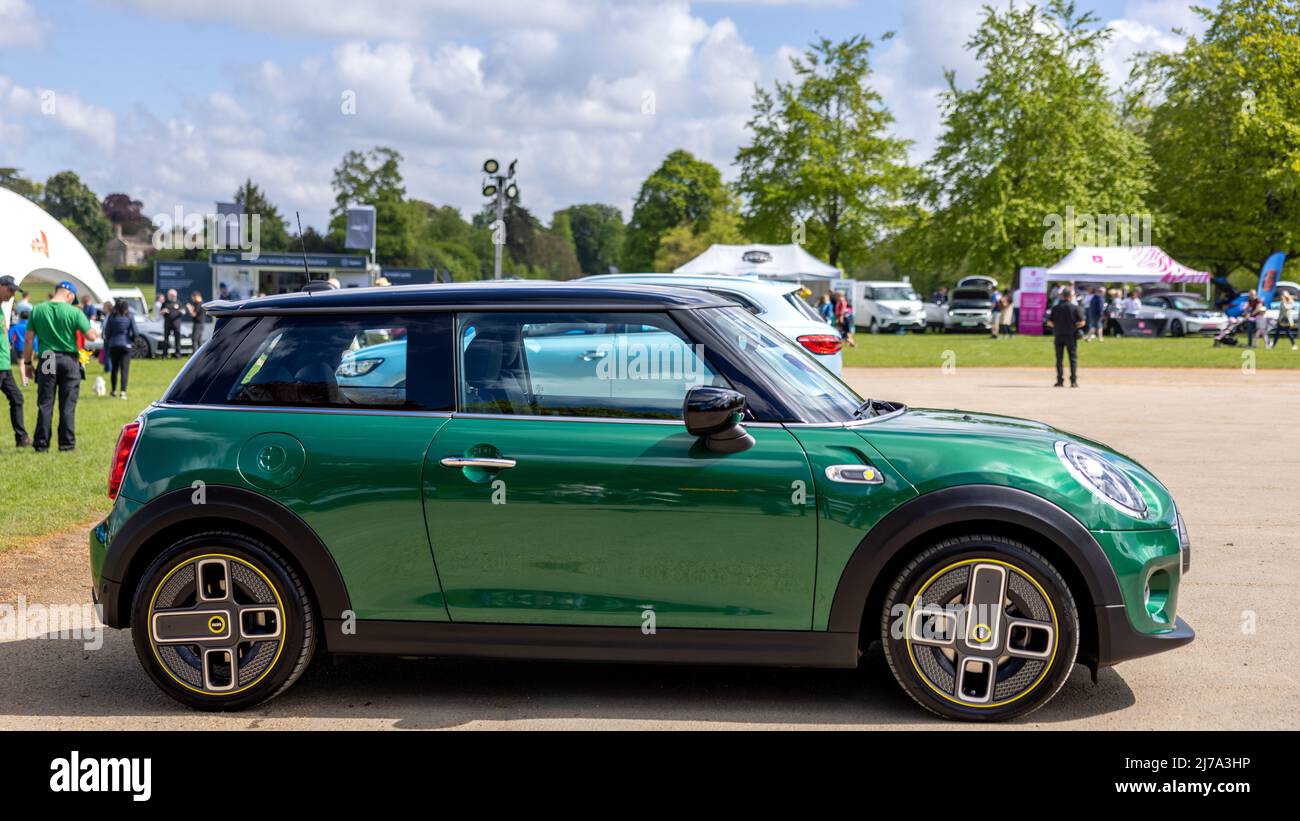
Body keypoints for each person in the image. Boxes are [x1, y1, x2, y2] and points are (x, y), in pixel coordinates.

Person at [22, 280, 98, 452]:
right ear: (69, 294)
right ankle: (66, 444)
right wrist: (94, 331)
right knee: (67, 404)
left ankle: (41, 444)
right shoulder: (74, 312)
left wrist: (27, 363)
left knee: (45, 402)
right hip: (69, 360)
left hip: (47, 357)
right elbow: (91, 337)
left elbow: (28, 339)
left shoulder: (37, 309)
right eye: (73, 299)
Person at [0, 275, 31, 447]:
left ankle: (22, 438)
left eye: (14, 291)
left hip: (4, 365)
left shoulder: (1, 309)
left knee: (17, 398)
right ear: (1, 286)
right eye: (9, 290)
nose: (12, 294)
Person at [1045, 285, 1085, 388]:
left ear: (1062, 296)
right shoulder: (1075, 308)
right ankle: (1073, 381)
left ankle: (1059, 380)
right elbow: (1082, 322)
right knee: (1073, 359)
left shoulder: (1056, 308)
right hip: (1071, 336)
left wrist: (1058, 326)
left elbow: (1049, 323)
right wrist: (1074, 326)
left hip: (1058, 335)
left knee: (1059, 359)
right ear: (1070, 297)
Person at [104, 298, 137, 399]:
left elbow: (107, 331)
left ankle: (113, 391)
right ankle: (123, 391)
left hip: (114, 344)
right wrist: (130, 340)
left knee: (114, 368)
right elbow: (135, 332)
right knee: (124, 369)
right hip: (126, 345)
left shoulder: (111, 317)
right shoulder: (129, 316)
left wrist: (110, 340)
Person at [159, 288, 184, 358]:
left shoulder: (179, 302)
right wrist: (163, 311)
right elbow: (160, 312)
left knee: (177, 340)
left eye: (174, 296)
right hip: (167, 324)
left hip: (176, 324)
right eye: (172, 296)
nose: (173, 297)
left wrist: (181, 311)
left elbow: (183, 311)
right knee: (166, 340)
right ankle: (165, 355)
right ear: (168, 296)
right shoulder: (165, 303)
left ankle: (177, 354)